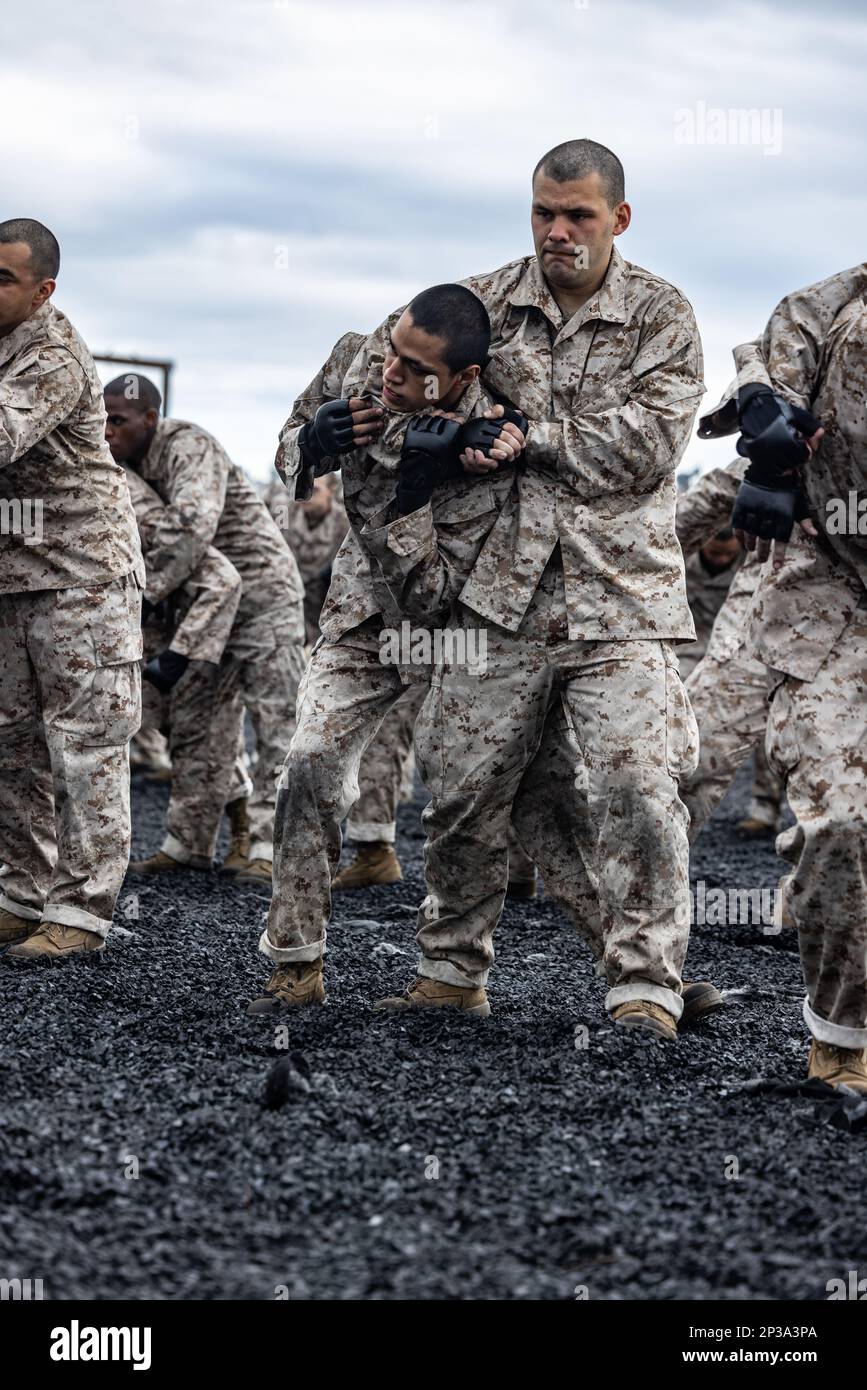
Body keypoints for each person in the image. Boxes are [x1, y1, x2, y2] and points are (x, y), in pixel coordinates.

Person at [365, 140, 710, 1038]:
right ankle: (450, 971)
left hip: (618, 599)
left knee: (636, 783)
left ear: (617, 219)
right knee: (462, 789)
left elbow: (648, 448)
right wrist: (433, 437)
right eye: (543, 213)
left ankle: (645, 983)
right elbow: (395, 378)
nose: (557, 232)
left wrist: (527, 435)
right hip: (499, 595)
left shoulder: (661, 316)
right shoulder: (478, 307)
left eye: (578, 216)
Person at [246, 284, 526, 1014]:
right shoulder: (357, 359)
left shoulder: (492, 432)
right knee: (308, 763)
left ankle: (459, 977)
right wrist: (312, 444)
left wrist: (416, 493)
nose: (390, 373)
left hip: (460, 620)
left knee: (470, 795)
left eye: (416, 368)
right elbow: (285, 449)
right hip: (363, 609)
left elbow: (434, 592)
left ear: (463, 378)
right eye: (393, 350)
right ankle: (295, 963)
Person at [698, 261, 867, 1091]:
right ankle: (842, 1039)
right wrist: (766, 429)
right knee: (842, 819)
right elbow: (776, 351)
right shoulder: (839, 309)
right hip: (829, 589)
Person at [0, 219, 144, 961]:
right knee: (11, 741)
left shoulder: (50, 354)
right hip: (15, 575)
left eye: (3, 279)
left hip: (82, 576)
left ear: (42, 290)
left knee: (85, 744)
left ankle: (82, 912)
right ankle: (21, 894)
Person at [103, 374, 305, 885]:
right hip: (205, 606)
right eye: (102, 420)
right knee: (198, 726)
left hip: (261, 599)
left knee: (275, 726)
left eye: (118, 421)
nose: (107, 431)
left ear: (150, 419)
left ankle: (267, 847)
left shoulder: (187, 446)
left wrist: (142, 597)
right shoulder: (128, 465)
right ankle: (188, 843)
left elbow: (190, 528)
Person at [674, 461, 784, 837]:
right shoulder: (685, 558)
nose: (721, 559)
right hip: (692, 641)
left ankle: (765, 810)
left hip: (736, 637)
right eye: (715, 554)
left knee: (766, 723)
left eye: (727, 554)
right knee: (683, 707)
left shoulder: (752, 558)